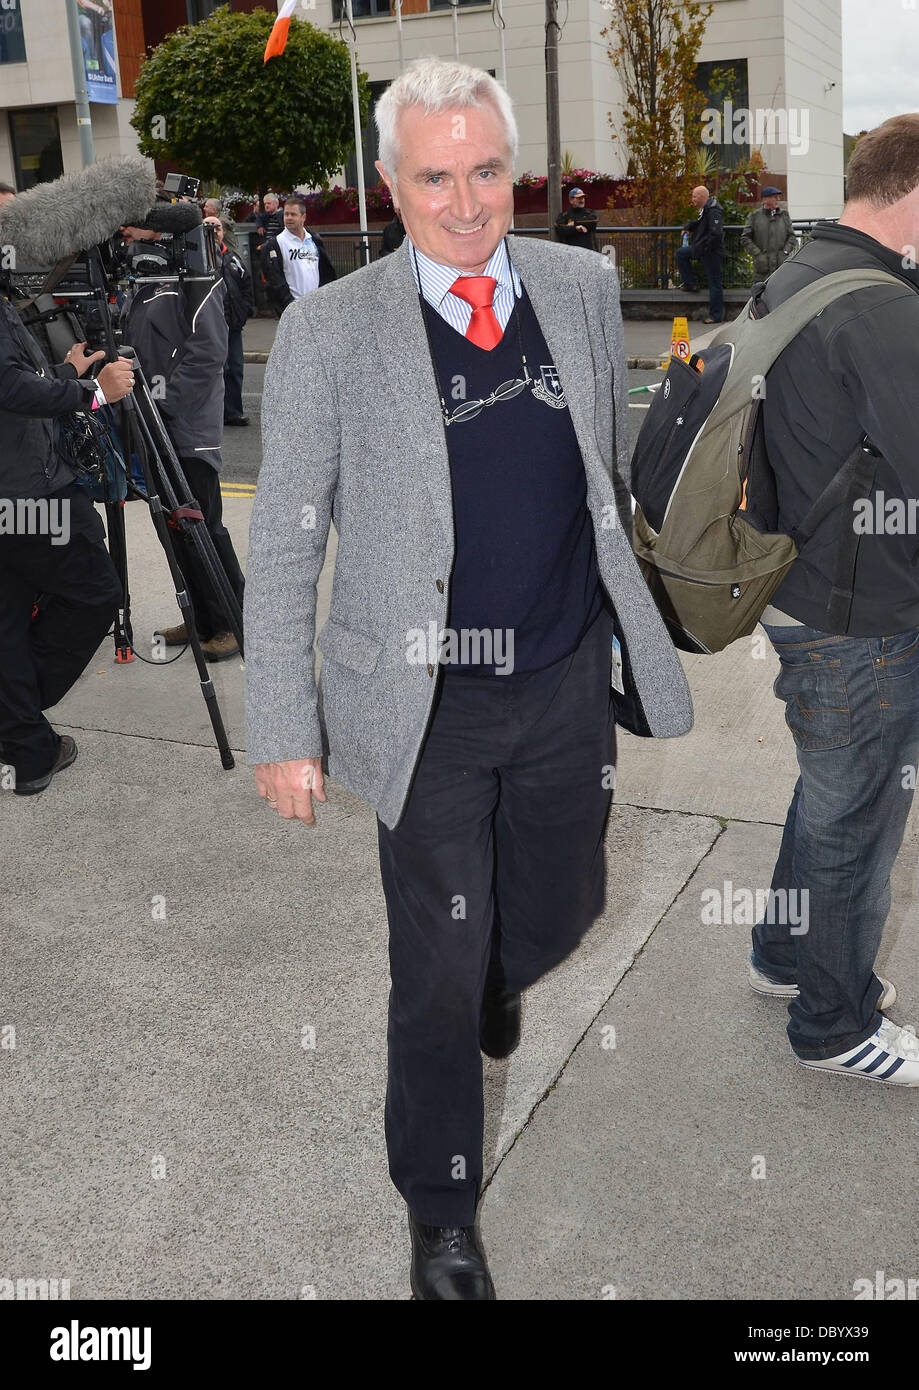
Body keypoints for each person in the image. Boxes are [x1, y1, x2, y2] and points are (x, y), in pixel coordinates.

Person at [245, 56, 692, 1299]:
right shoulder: (333, 330)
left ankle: (503, 966)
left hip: (558, 679)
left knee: (561, 907)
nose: (464, 202)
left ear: (513, 171)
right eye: (434, 177)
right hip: (420, 703)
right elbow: (283, 538)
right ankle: (440, 1208)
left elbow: (597, 476)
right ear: (391, 186)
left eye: (484, 170)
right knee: (436, 973)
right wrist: (284, 723)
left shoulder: (581, 286)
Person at [751, 112, 919, 1085]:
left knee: (830, 790)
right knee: (858, 813)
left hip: (801, 586)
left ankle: (782, 953)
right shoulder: (883, 308)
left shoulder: (801, 270)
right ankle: (833, 1023)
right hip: (863, 613)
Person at [0, 274, 133, 794]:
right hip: (31, 495)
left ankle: (26, 748)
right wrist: (93, 391)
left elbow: (13, 378)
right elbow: (11, 388)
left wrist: (63, 371)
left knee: (8, 619)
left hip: (19, 488)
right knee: (97, 593)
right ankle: (20, 716)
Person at [120, 216, 245, 663]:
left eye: (133, 230)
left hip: (187, 433)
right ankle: (200, 619)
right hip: (155, 428)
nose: (126, 237)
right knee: (175, 531)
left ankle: (230, 621)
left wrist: (164, 403)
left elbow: (209, 352)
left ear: (159, 233)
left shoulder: (196, 279)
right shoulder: (150, 280)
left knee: (202, 529)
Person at [204, 215, 254, 427]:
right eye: (209, 228)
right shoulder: (199, 261)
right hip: (210, 328)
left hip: (232, 326)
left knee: (235, 369)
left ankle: (233, 412)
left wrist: (245, 313)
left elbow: (246, 286)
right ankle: (213, 414)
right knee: (216, 371)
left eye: (218, 228)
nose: (214, 232)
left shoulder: (233, 258)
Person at [260, 195, 336, 315]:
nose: (289, 218)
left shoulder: (314, 240)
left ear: (303, 217)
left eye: (293, 214)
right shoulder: (276, 243)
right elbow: (275, 279)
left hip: (317, 307)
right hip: (293, 310)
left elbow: (326, 272)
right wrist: (290, 306)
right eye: (286, 214)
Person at [676, 184, 726, 322]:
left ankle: (716, 315)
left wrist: (705, 249)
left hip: (711, 252)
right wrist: (687, 227)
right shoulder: (706, 209)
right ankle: (690, 283)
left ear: (702, 197)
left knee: (714, 283)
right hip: (702, 249)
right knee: (681, 253)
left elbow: (716, 234)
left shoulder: (713, 210)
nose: (692, 199)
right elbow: (698, 223)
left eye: (694, 196)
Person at [740, 185, 798, 280]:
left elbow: (792, 236)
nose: (778, 200)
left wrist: (785, 252)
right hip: (762, 268)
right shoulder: (754, 216)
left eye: (778, 197)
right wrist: (758, 254)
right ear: (765, 200)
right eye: (775, 197)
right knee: (761, 292)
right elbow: (745, 238)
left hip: (781, 266)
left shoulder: (784, 215)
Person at [555, 186, 599, 251]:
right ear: (571, 200)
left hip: (589, 252)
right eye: (579, 198)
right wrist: (576, 228)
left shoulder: (590, 212)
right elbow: (559, 228)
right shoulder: (565, 215)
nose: (582, 200)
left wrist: (573, 223)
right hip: (571, 253)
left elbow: (593, 222)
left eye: (583, 197)